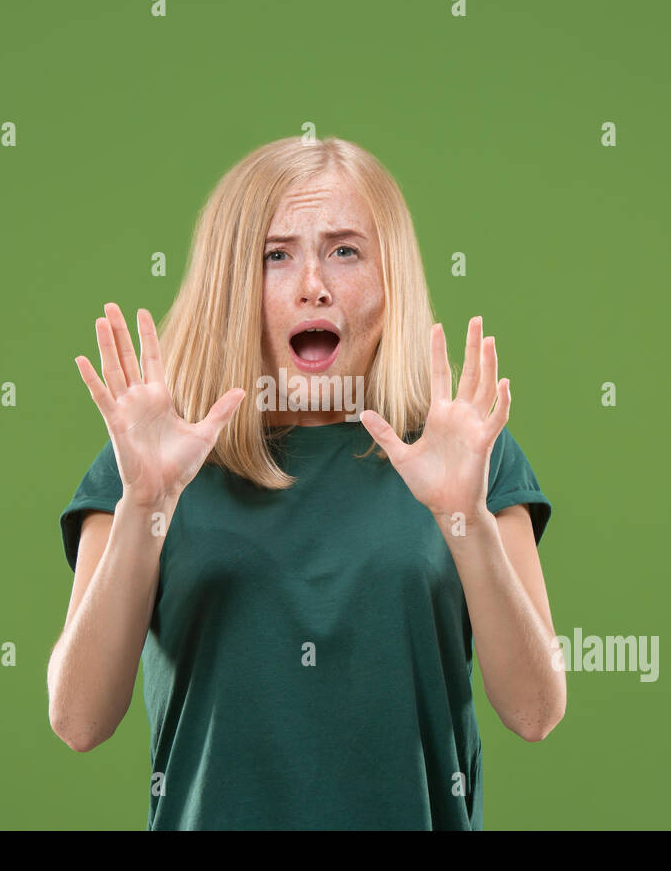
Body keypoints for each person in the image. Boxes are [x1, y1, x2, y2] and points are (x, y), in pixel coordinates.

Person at [49, 136, 564, 829]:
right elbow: (79, 719)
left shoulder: (469, 454)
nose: (313, 283)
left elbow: (535, 711)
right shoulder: (147, 457)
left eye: (346, 251)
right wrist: (145, 504)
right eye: (275, 254)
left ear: (392, 281)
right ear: (231, 284)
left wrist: (464, 517)